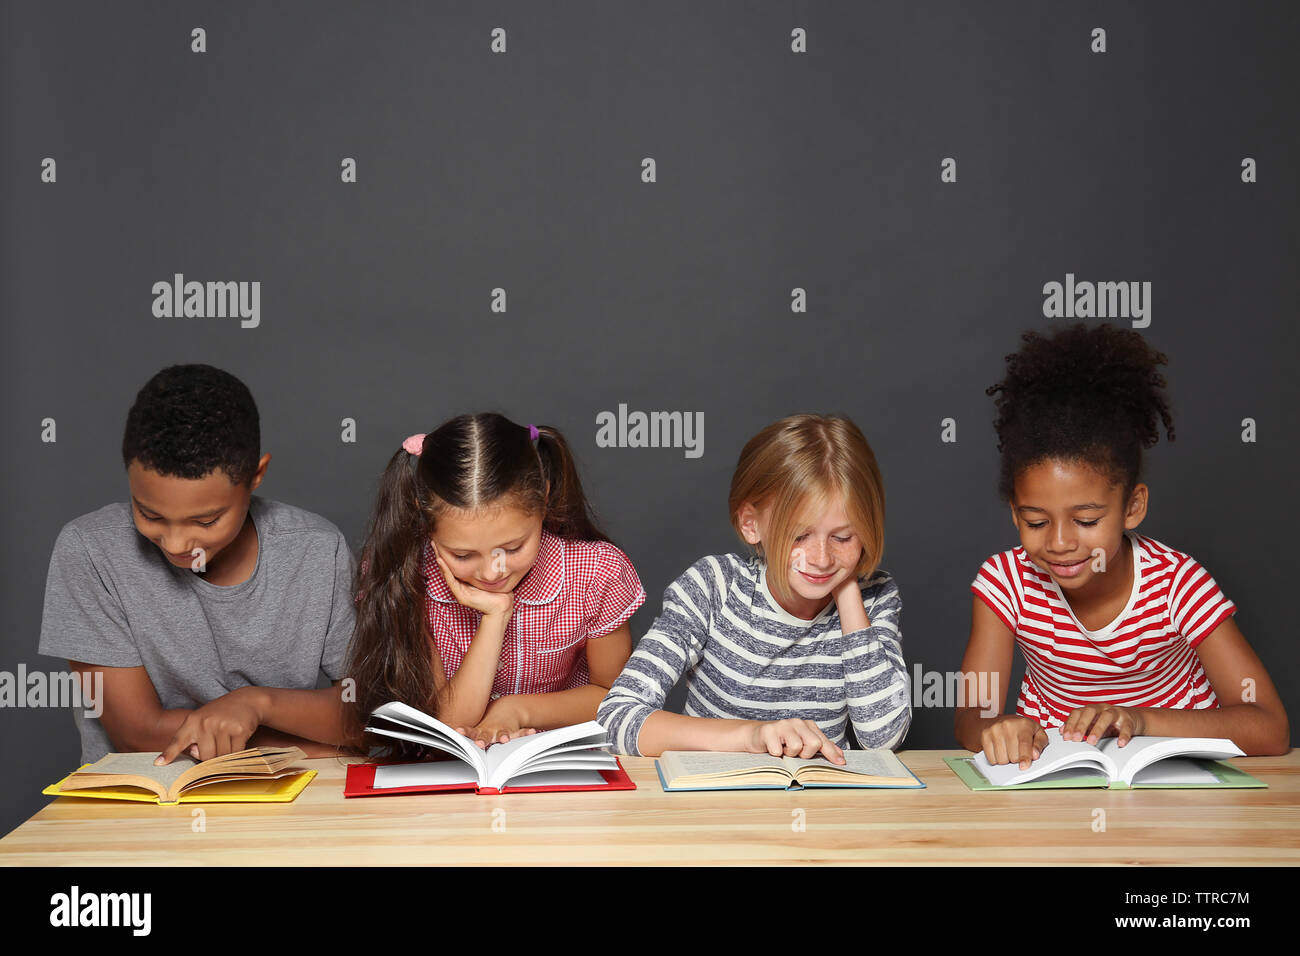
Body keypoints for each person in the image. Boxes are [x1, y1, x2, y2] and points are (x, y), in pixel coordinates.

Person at [955, 323, 1289, 768]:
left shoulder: (1176, 584)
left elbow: (1268, 727)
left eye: (1087, 520)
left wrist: (1140, 719)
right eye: (1036, 522)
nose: (1059, 543)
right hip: (1059, 783)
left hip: (1179, 785)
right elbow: (969, 720)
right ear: (1015, 513)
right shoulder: (1006, 583)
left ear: (1132, 507)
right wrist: (995, 729)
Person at [39, 364, 356, 765]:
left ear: (256, 475)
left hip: (286, 803)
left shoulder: (317, 551)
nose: (175, 544)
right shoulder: (90, 551)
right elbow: (136, 732)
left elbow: (363, 712)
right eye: (149, 514)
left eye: (206, 521)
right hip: (141, 807)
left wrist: (257, 703)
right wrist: (311, 746)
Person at [598, 413, 910, 761]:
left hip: (820, 807)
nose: (821, 558)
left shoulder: (875, 597)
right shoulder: (713, 587)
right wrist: (751, 736)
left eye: (843, 536)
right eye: (800, 536)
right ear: (751, 524)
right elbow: (615, 720)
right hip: (714, 806)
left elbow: (883, 738)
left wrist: (848, 588)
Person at [346, 413, 644, 752]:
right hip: (449, 771)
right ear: (424, 523)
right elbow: (449, 724)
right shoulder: (408, 576)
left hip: (563, 767)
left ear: (543, 499)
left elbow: (616, 698)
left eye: (513, 548)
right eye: (462, 555)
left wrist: (515, 710)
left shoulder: (596, 571)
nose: (492, 572)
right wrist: (495, 617)